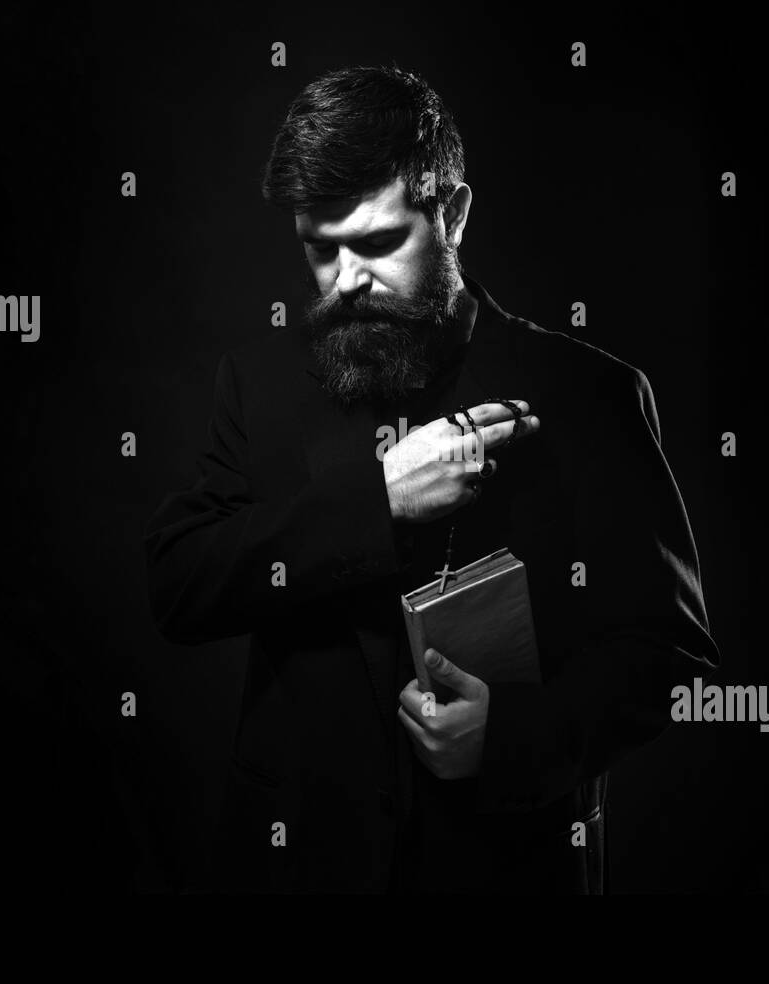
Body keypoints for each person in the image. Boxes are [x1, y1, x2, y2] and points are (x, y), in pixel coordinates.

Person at [143, 65, 721, 893]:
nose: (347, 280)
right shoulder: (258, 383)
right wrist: (376, 502)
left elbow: (671, 655)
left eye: (378, 243)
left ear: (452, 214)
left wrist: (516, 737)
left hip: (504, 869)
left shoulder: (589, 395)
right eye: (321, 250)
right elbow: (178, 584)